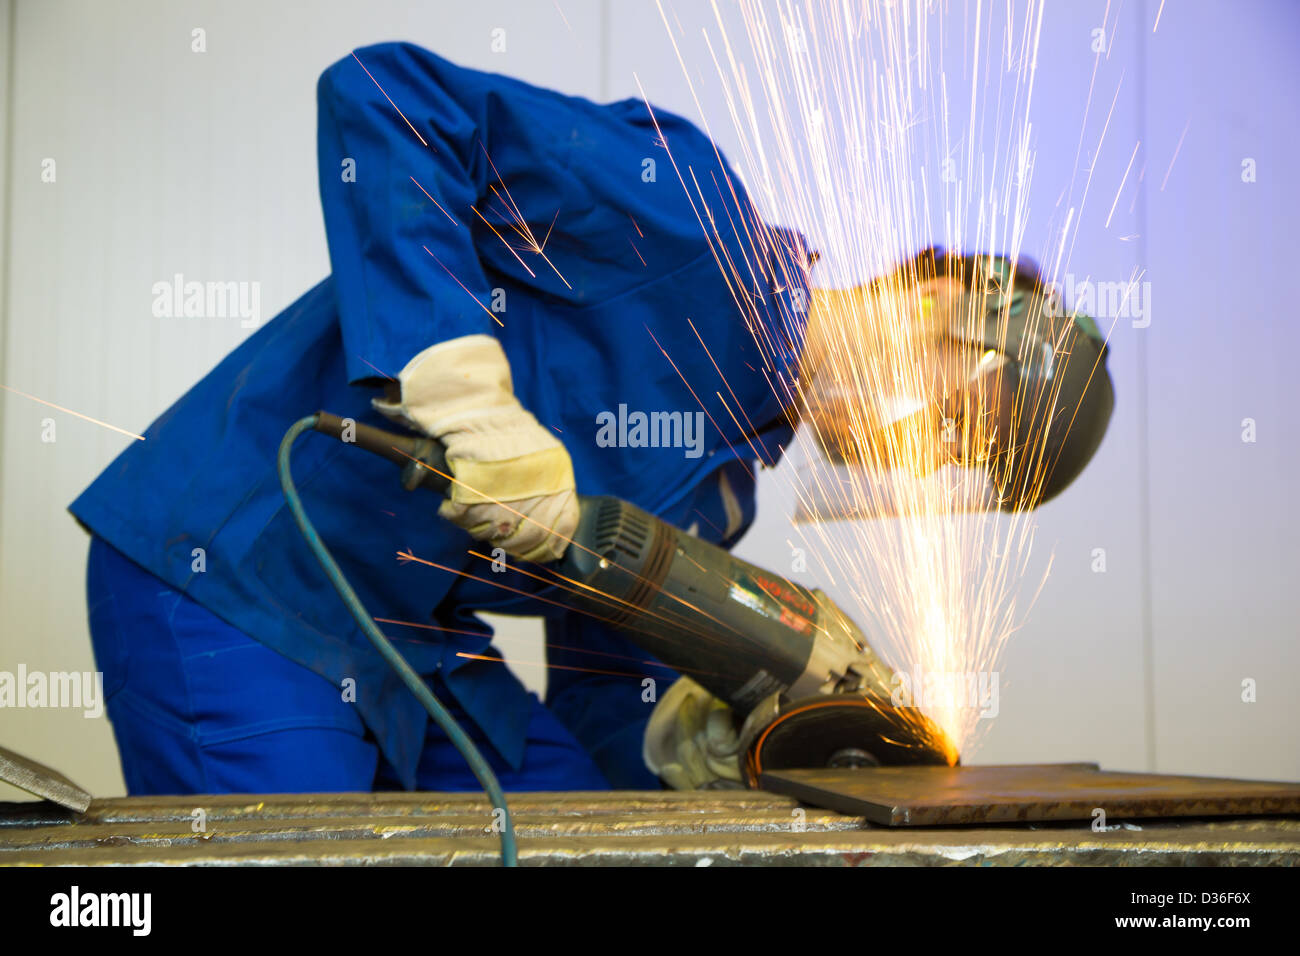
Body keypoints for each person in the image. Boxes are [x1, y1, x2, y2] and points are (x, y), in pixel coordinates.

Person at [70, 43, 1112, 796]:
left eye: (954, 461)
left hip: (410, 636)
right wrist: (461, 390)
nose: (922, 454)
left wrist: (691, 736)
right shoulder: (687, 218)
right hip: (243, 569)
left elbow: (602, 680)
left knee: (583, 827)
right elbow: (387, 96)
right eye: (953, 418)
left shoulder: (719, 486)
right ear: (936, 302)